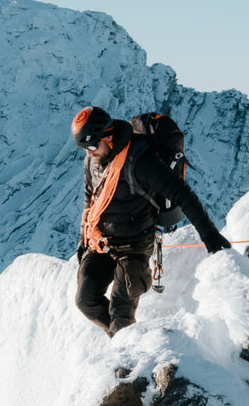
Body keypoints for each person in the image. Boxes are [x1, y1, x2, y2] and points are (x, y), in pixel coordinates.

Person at [71, 105, 231, 336]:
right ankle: (128, 341)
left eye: (92, 146)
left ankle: (127, 349)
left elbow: (182, 193)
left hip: (134, 245)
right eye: (84, 148)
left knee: (121, 313)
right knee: (86, 301)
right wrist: (83, 240)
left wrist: (209, 234)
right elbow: (90, 203)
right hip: (101, 241)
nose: (89, 153)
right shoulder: (93, 162)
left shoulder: (139, 160)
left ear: (109, 137)